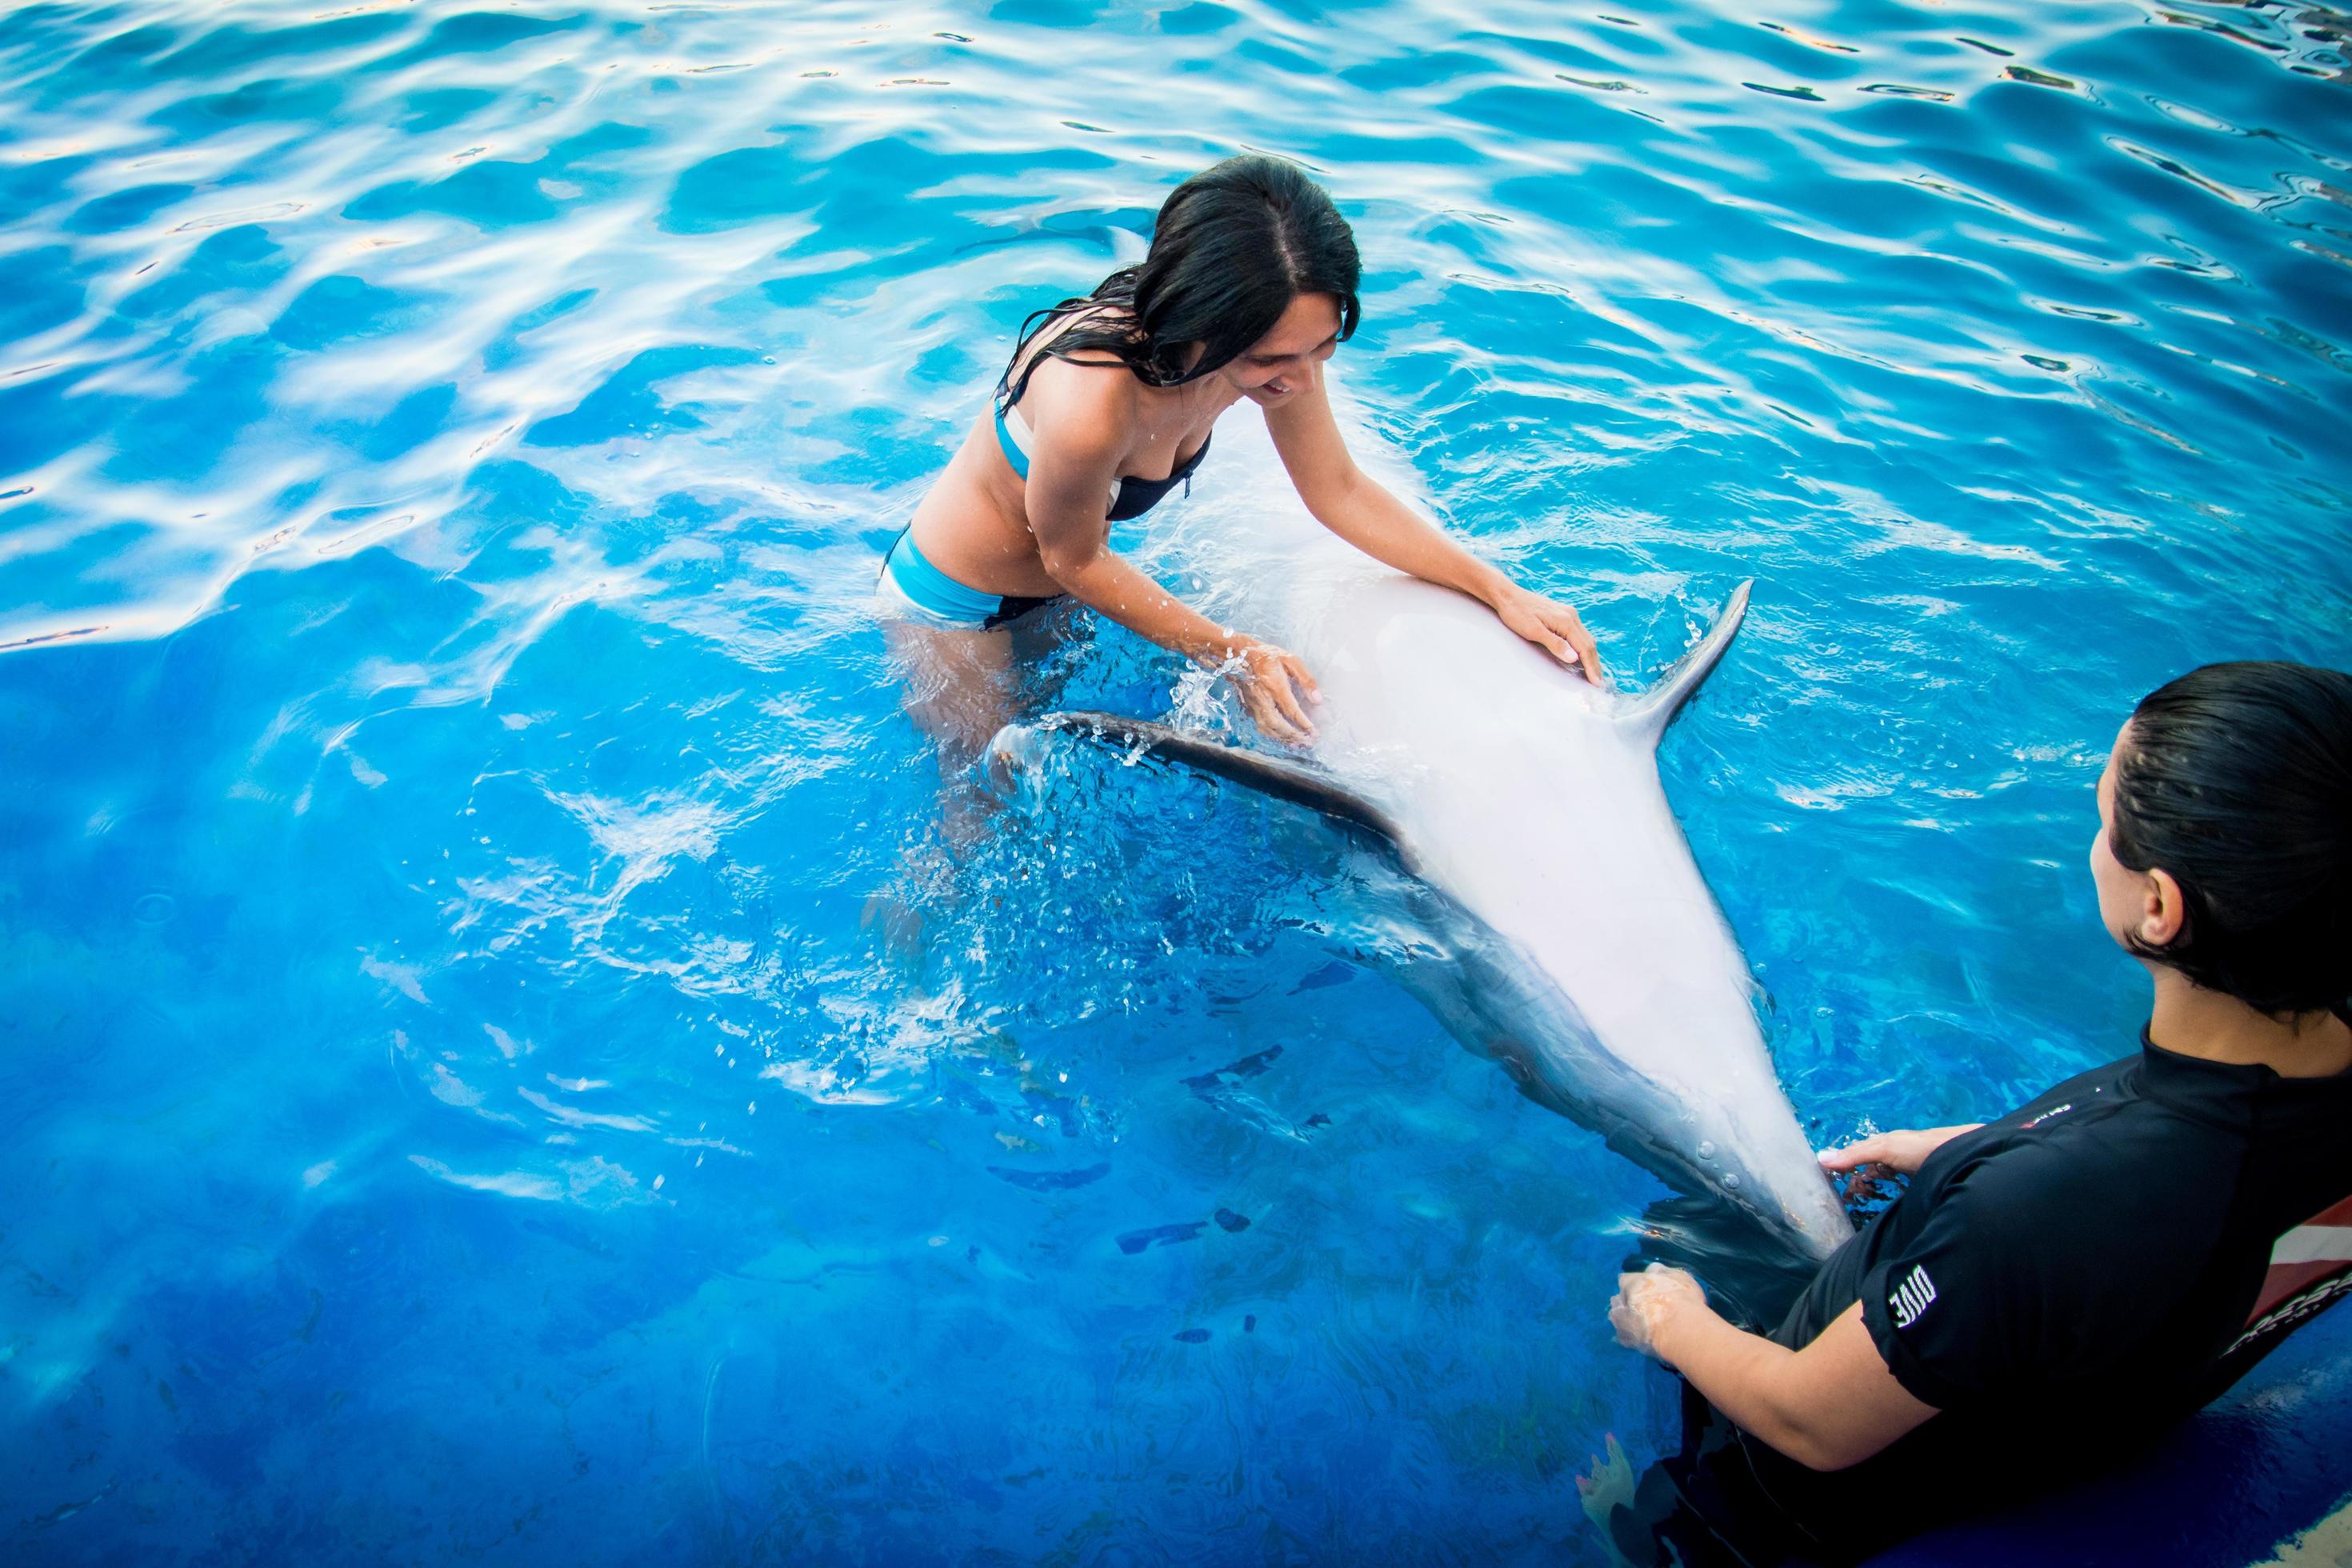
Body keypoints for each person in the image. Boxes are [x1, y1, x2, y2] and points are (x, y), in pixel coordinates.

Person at [1596, 660, 2352, 1566]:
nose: (2093, 816)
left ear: (2159, 909)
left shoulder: (2036, 1218)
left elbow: (1812, 1423)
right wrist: (1959, 1150)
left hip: (1808, 1492)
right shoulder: (2305, 1054)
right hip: (2059, 1365)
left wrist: (1671, 1321)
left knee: (1649, 1498)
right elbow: (2155, 1169)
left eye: (2108, 816)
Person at [877, 154, 1606, 763]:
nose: (1298, 380)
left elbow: (1340, 490)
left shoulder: (1274, 357)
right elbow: (1073, 557)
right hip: (955, 604)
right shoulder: (1091, 400)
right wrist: (1234, 650)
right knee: (984, 803)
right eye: (1270, 360)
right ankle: (905, 932)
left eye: (1322, 347)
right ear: (1199, 325)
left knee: (1051, 751)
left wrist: (1498, 590)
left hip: (1061, 590)